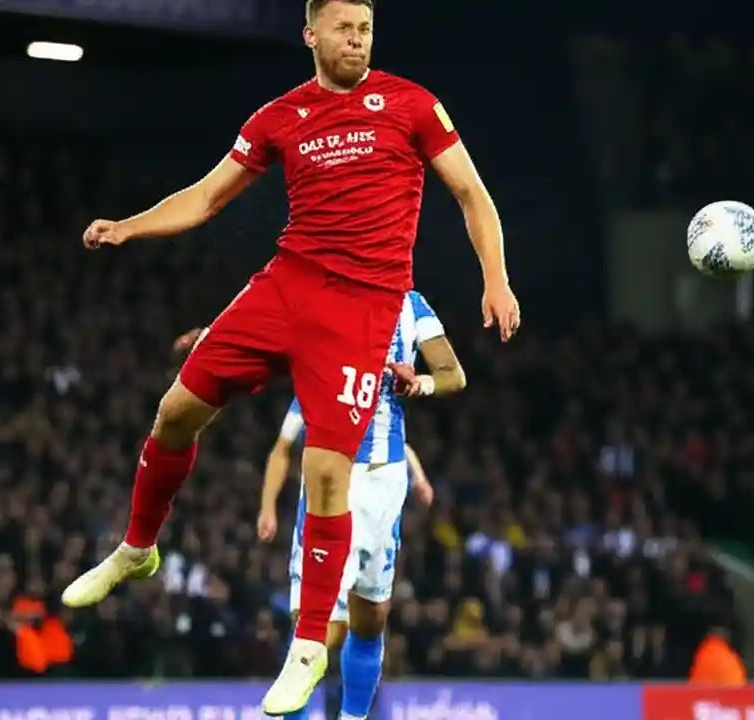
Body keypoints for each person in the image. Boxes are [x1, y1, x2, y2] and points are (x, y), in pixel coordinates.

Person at [61, 0, 518, 713]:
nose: (357, 40)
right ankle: (137, 549)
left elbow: (472, 193)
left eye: (365, 29)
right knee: (175, 412)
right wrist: (130, 227)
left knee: (325, 470)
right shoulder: (280, 117)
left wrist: (496, 277)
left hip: (362, 307)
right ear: (310, 35)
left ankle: (308, 646)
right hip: (286, 285)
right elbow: (208, 196)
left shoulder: (412, 105)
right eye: (344, 28)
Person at [261, 289, 465, 720]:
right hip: (332, 471)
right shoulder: (322, 294)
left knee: (371, 617)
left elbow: (452, 373)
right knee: (318, 629)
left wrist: (421, 382)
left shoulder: (412, 305)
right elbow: (269, 340)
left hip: (384, 479)